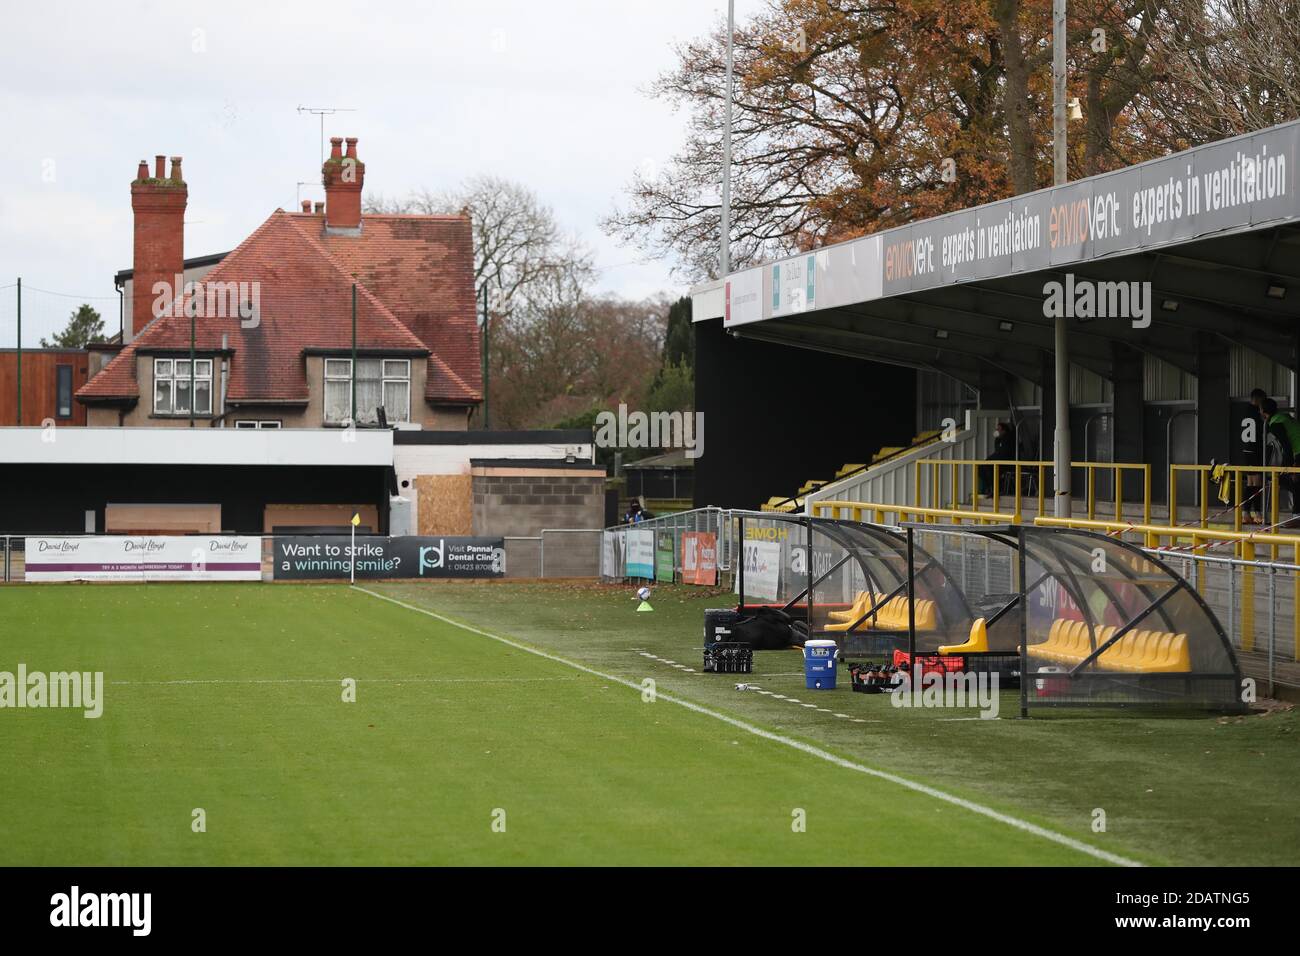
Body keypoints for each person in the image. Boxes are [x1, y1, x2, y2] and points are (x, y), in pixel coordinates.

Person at [1261, 398, 1300, 521]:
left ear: (1263, 411)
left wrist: (1289, 465)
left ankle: (1297, 516)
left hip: (1297, 452)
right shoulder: (1283, 417)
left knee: (1286, 480)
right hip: (1297, 451)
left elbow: (1286, 445)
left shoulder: (1276, 424)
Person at [1241, 388, 1268, 524]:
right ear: (1257, 399)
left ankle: (1246, 513)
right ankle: (1256, 513)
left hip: (1246, 449)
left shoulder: (1245, 411)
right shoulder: (1257, 413)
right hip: (1254, 449)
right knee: (1256, 482)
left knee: (1251, 482)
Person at [978, 422, 1016, 497]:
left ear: (1004, 431)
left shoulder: (1009, 438)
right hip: (997, 462)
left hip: (1006, 463)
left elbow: (1003, 454)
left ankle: (996, 490)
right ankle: (990, 488)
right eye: (996, 429)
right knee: (980, 468)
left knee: (989, 468)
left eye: (998, 429)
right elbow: (997, 452)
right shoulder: (998, 440)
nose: (996, 431)